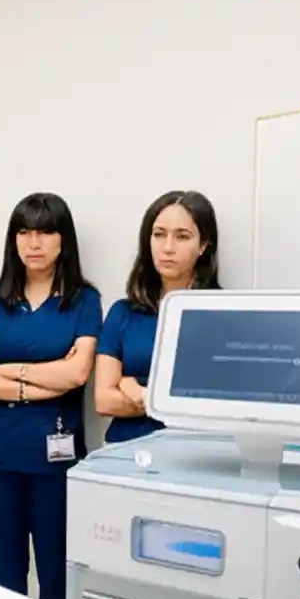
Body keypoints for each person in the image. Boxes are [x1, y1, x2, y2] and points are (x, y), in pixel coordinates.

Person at [0, 192, 101, 599]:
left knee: (57, 578)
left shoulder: (83, 300)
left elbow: (77, 374)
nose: (33, 242)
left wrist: (8, 372)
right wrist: (45, 380)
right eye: (23, 232)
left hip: (55, 465)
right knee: (4, 581)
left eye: (44, 232)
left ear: (63, 240)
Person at [94, 190, 220, 443]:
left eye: (182, 237)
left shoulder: (220, 313)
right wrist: (166, 404)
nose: (168, 247)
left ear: (203, 245)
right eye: (159, 234)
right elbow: (104, 401)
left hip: (193, 451)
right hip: (126, 450)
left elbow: (211, 407)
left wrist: (136, 390)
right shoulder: (123, 312)